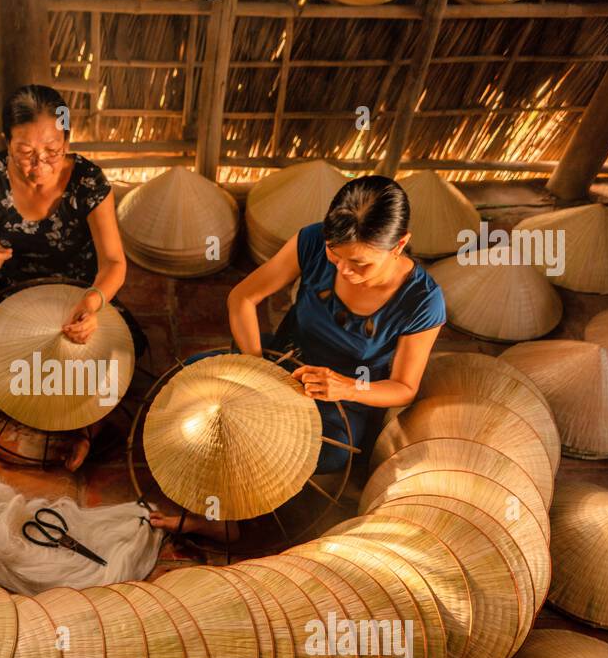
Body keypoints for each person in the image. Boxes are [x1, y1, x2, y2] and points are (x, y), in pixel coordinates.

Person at [151, 174, 446, 534]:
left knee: (302, 451)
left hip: (342, 398)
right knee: (193, 385)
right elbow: (242, 298)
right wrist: (257, 371)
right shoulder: (310, 240)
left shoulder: (422, 301)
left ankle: (228, 519)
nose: (344, 271)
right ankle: (200, 478)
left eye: (360, 264)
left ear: (399, 245)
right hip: (280, 362)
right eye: (335, 256)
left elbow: (404, 387)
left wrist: (346, 388)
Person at [0, 83, 143, 470]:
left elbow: (114, 262)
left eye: (53, 151)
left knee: (119, 349)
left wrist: (92, 304)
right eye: (25, 152)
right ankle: (38, 404)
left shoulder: (87, 182)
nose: (39, 164)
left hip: (75, 293)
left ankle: (86, 427)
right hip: (10, 289)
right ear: (6, 142)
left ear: (67, 140)